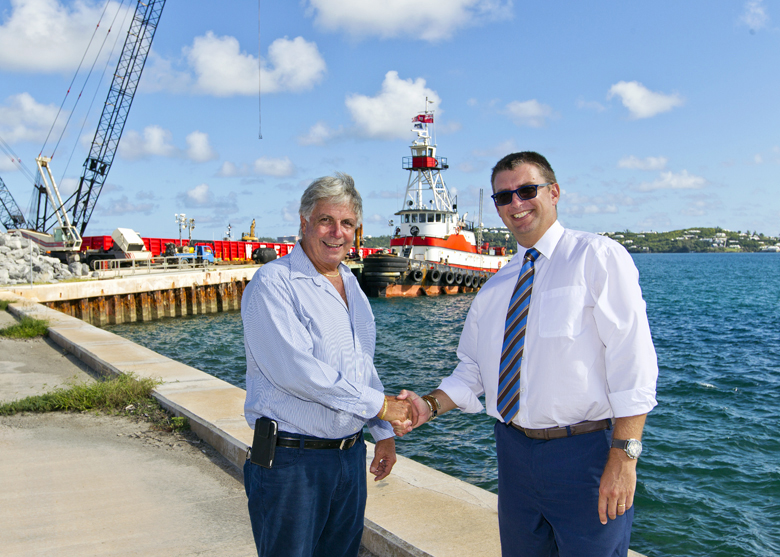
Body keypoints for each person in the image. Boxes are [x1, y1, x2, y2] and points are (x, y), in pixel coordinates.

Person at [395, 152, 658, 556]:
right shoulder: (496, 286)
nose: (516, 204)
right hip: (514, 456)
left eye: (526, 190)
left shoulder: (597, 257)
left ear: (553, 193)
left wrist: (624, 457)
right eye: (504, 197)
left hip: (584, 456)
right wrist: (428, 404)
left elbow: (632, 362)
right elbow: (472, 371)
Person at [242, 172, 414, 557]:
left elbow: (360, 366)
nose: (336, 232)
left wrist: (382, 431)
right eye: (326, 220)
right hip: (291, 463)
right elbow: (296, 372)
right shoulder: (274, 284)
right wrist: (382, 406)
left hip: (348, 458)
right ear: (304, 223)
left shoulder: (351, 283)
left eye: (347, 223)